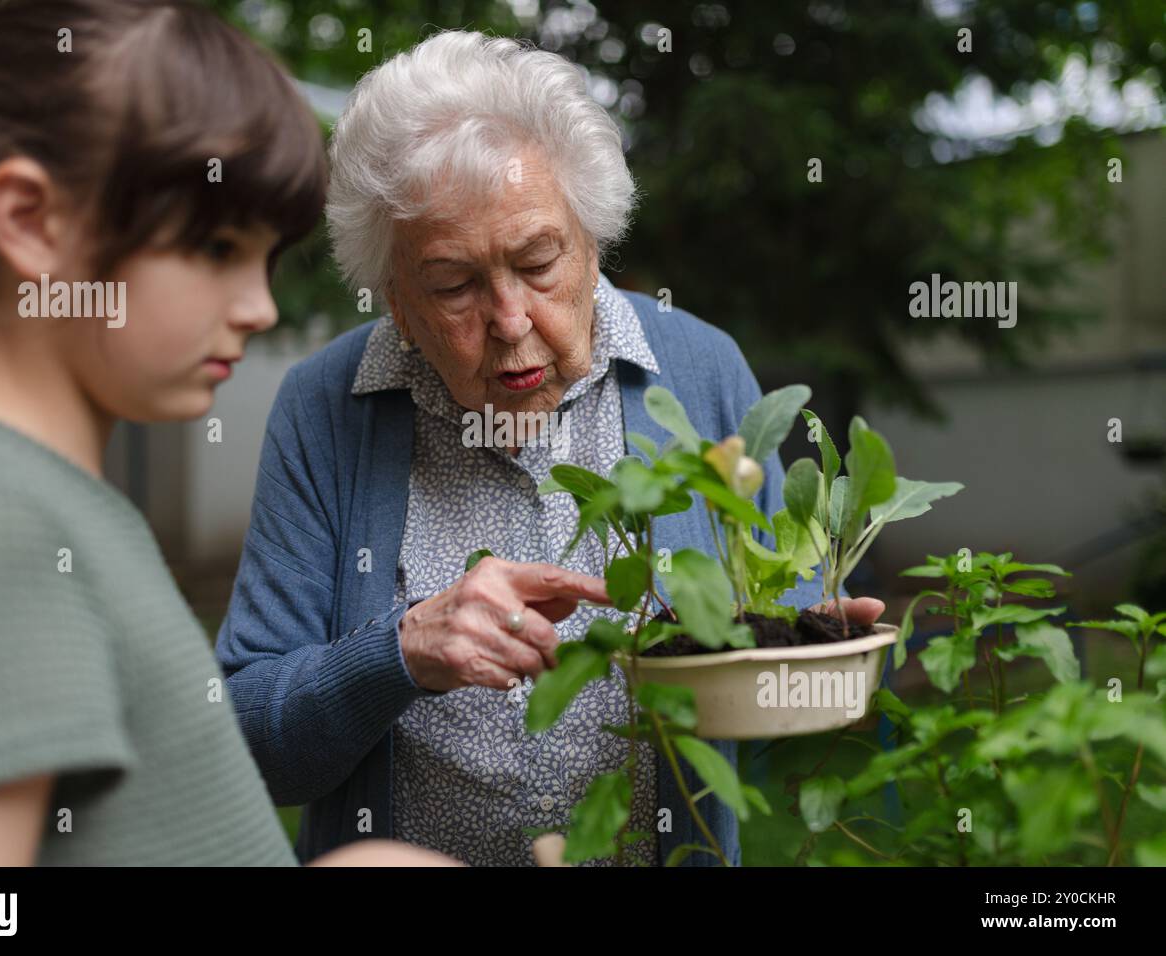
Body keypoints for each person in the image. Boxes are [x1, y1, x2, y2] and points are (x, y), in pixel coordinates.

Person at [216, 29, 885, 867]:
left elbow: (783, 637)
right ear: (392, 296)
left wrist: (818, 646)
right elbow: (243, 731)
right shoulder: (325, 410)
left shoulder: (702, 371)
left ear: (593, 236)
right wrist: (400, 652)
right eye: (454, 284)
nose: (510, 321)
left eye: (539, 262)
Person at [0, 0, 451, 868]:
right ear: (29, 220)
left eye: (265, 259)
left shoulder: (52, 503)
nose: (258, 307)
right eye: (216, 247)